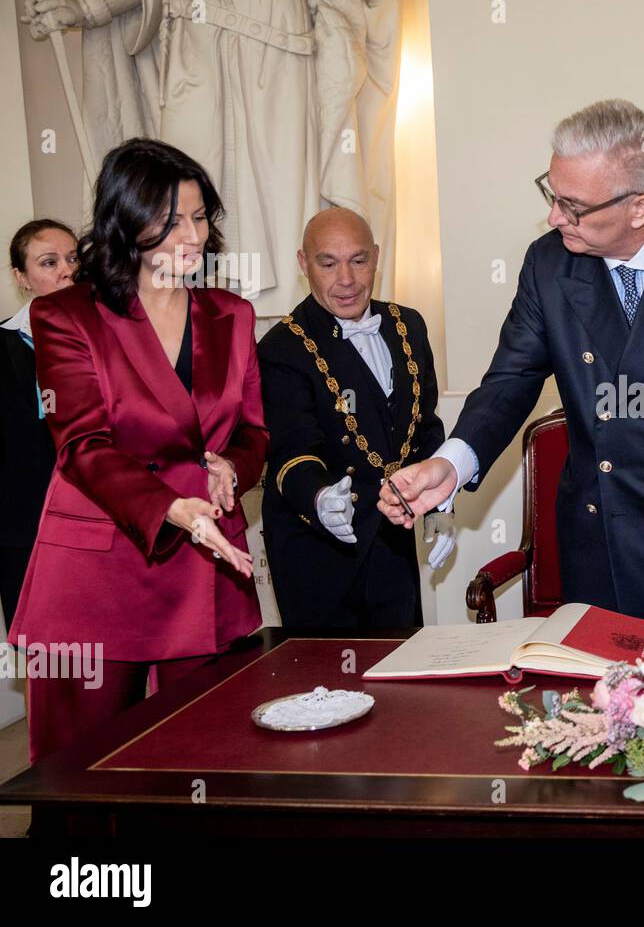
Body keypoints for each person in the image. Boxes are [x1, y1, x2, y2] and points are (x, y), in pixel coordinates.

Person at [379, 99, 644, 630]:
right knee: (595, 703)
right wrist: (452, 461)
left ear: (640, 206)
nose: (554, 216)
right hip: (597, 539)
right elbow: (511, 378)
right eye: (551, 193)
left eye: (573, 205)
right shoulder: (549, 263)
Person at [7, 138, 268, 762]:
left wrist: (234, 465)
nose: (193, 234)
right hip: (97, 568)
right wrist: (170, 507)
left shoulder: (231, 313)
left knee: (204, 760)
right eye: (171, 218)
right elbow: (81, 445)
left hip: (206, 564)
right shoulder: (67, 315)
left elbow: (255, 431)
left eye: (201, 216)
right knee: (81, 773)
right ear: (125, 219)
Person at [258, 208, 448, 627]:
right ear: (303, 263)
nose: (346, 279)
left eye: (358, 260)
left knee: (402, 673)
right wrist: (321, 497)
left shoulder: (408, 325)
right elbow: (292, 451)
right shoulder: (281, 347)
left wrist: (440, 500)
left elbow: (425, 427)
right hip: (316, 553)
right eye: (328, 263)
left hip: (393, 537)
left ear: (377, 257)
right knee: (329, 685)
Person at [1, 220, 76, 627]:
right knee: (44, 662)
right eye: (49, 262)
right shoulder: (3, 346)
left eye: (72, 258)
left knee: (111, 666)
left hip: (105, 530)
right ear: (21, 278)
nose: (67, 270)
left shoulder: (114, 339)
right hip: (25, 534)